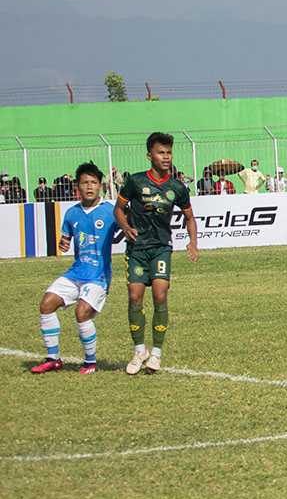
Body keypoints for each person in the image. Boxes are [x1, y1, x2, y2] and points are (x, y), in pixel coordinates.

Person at [114, 132, 200, 375]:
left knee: (160, 295)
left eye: (169, 152)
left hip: (161, 247)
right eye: (161, 152)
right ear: (149, 155)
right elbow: (118, 209)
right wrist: (125, 227)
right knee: (134, 296)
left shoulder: (177, 188)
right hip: (137, 249)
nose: (166, 157)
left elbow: (189, 217)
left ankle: (156, 353)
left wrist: (193, 243)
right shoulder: (135, 182)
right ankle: (139, 350)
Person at [30, 163, 120, 375]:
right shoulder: (72, 213)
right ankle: (53, 359)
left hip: (98, 276)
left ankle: (90, 363)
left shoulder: (110, 211)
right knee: (46, 304)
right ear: (77, 187)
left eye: (94, 182)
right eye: (84, 182)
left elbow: (129, 227)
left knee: (82, 313)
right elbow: (66, 238)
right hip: (76, 273)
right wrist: (63, 243)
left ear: (100, 187)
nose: (89, 186)